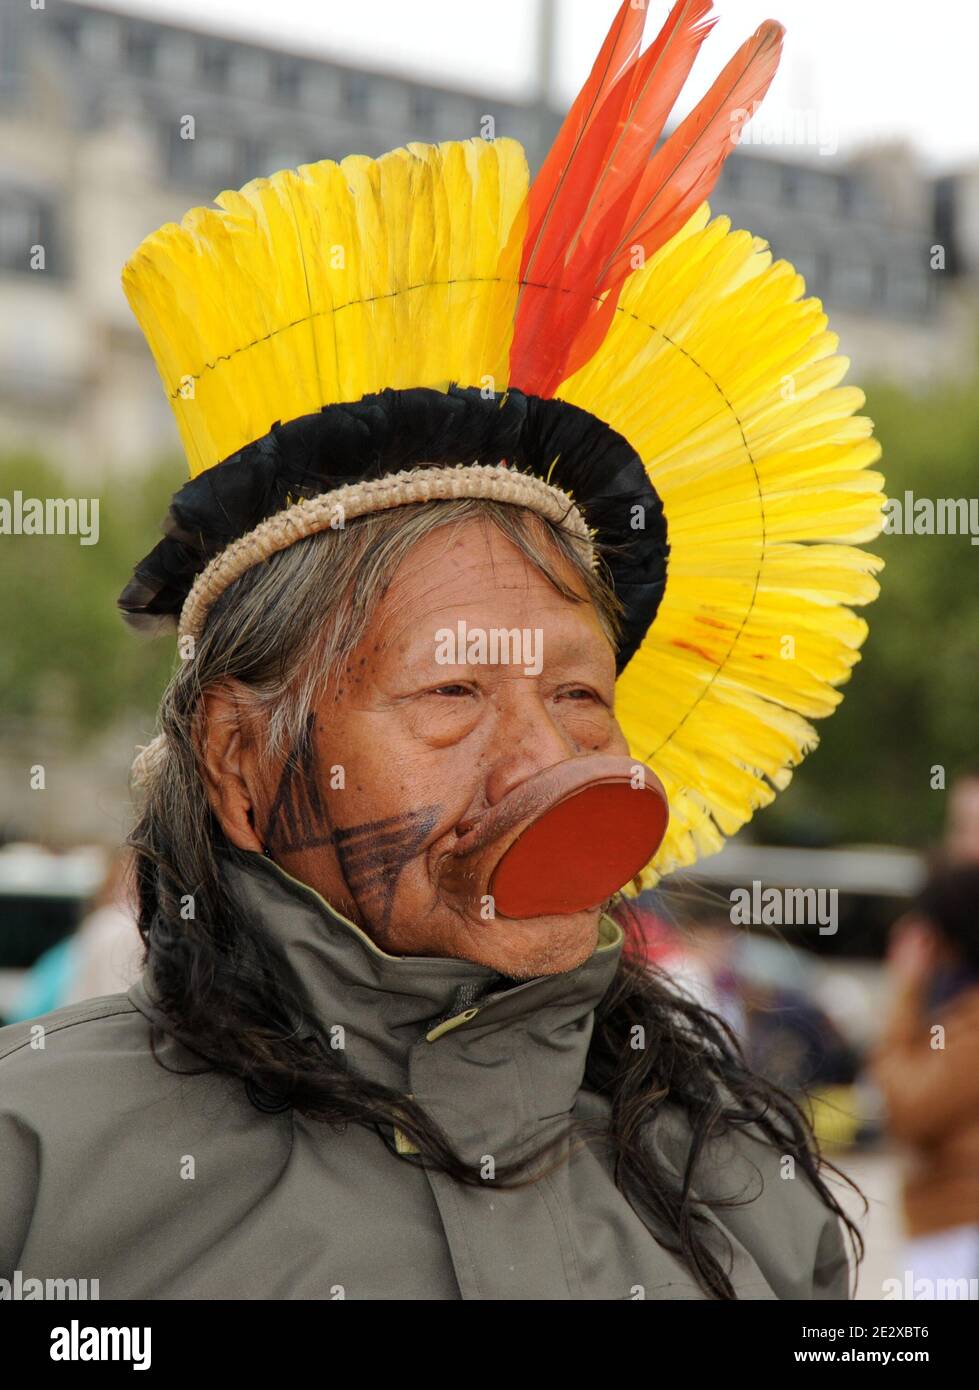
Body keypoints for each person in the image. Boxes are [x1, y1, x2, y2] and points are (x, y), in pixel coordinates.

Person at [0, 1, 885, 1299]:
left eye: (581, 693)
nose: (545, 761)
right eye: (454, 691)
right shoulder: (42, 1169)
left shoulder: (737, 1187)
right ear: (241, 759)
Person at [872, 866, 979, 1297]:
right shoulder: (956, 1011)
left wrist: (905, 988)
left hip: (958, 1227)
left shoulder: (969, 1024)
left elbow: (906, 1107)